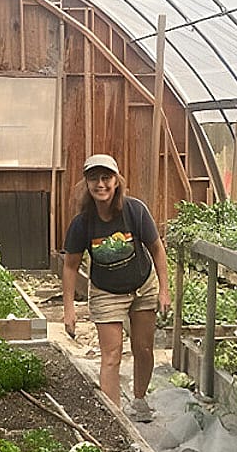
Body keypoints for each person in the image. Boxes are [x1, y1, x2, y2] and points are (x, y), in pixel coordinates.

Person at [62, 153, 170, 422]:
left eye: (106, 178)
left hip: (142, 286)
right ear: (86, 184)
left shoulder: (135, 211)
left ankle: (140, 398)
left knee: (143, 349)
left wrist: (164, 290)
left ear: (116, 181)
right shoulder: (82, 223)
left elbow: (157, 249)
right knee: (111, 355)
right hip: (106, 292)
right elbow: (70, 266)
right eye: (94, 179)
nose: (101, 184)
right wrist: (69, 310)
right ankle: (115, 417)